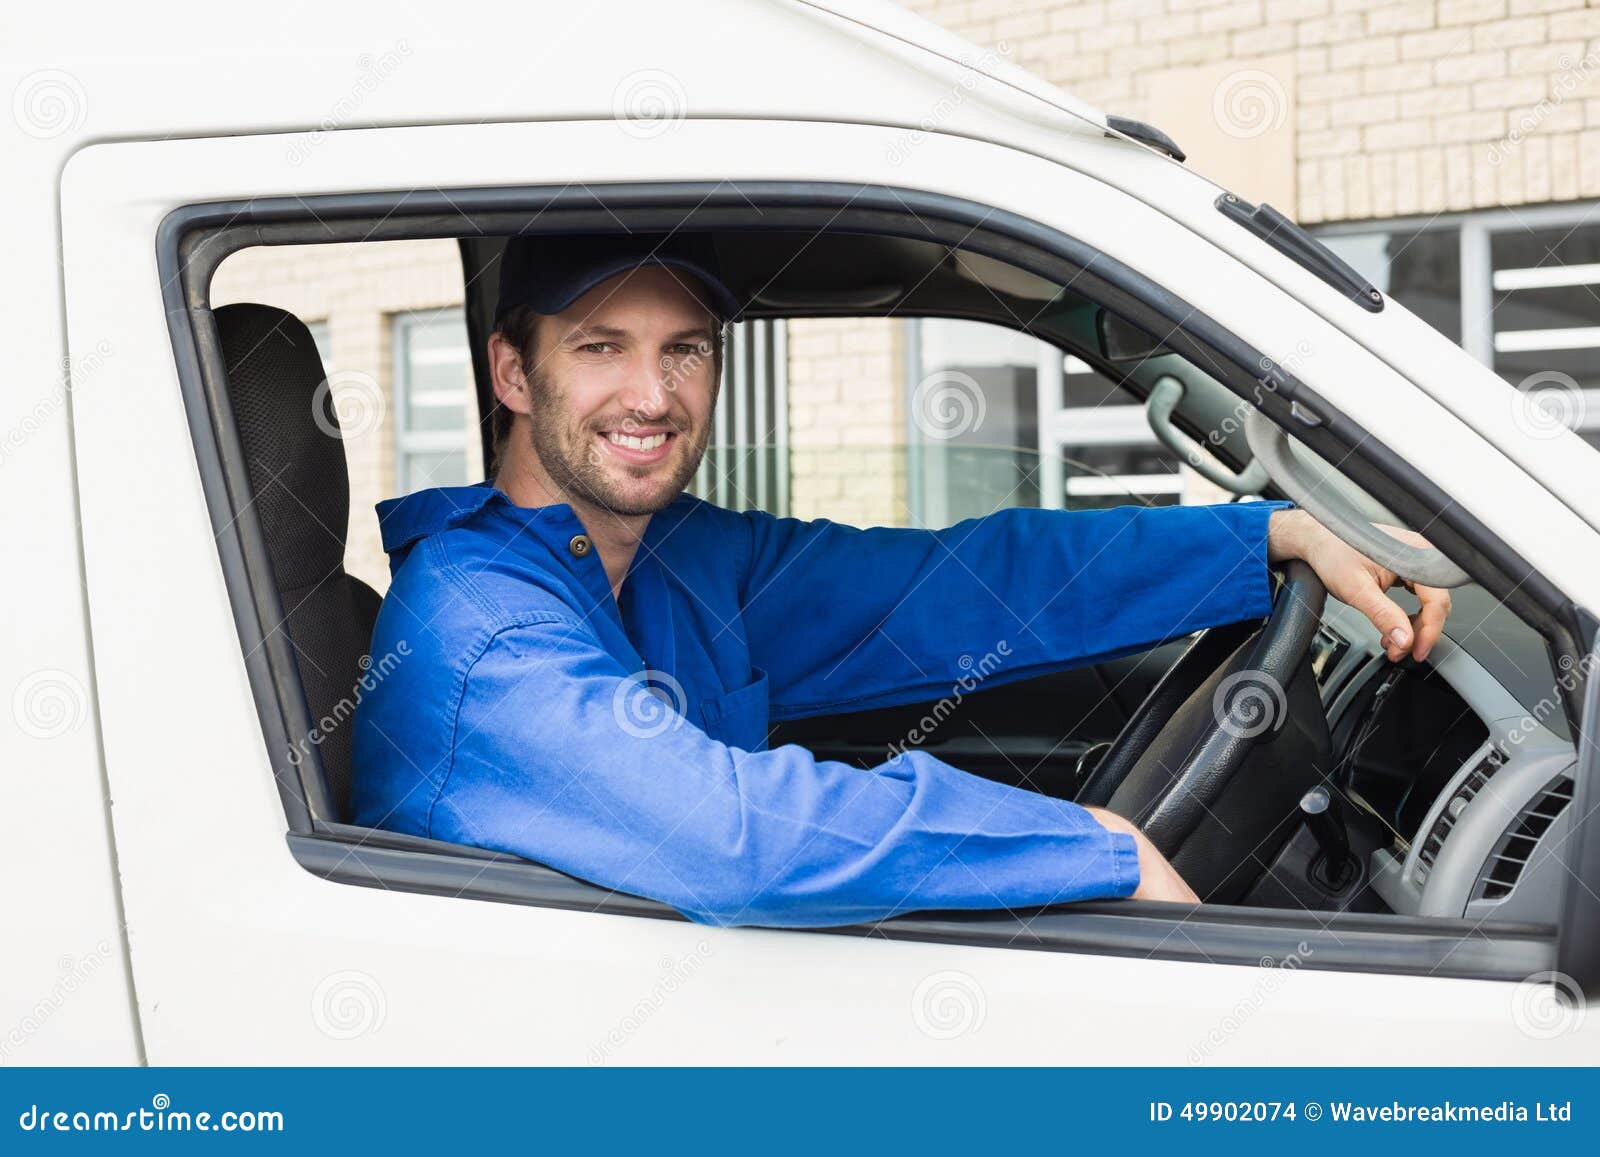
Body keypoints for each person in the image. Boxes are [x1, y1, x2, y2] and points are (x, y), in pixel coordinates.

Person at [349, 231, 1451, 927]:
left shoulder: (682, 558)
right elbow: (730, 835)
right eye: (600, 346)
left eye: (685, 348)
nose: (652, 392)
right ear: (510, 370)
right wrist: (1095, 846)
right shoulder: (475, 623)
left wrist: (1265, 536)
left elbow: (956, 586)